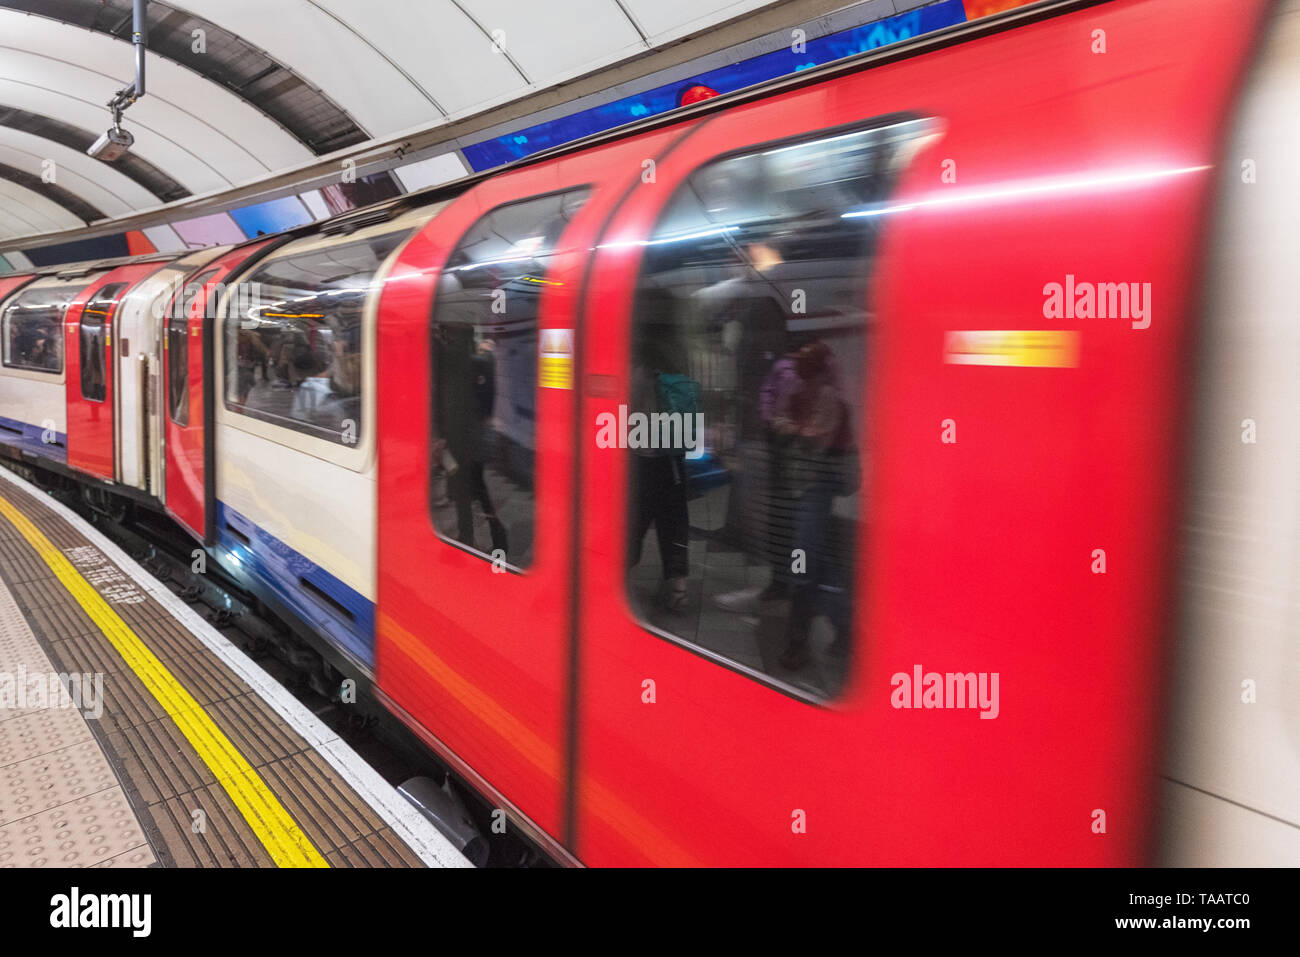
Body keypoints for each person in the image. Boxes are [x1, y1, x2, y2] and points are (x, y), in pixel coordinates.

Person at [771, 340, 857, 670]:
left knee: (804, 568)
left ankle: (797, 643)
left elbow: (816, 438)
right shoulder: (800, 396)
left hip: (817, 488)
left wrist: (794, 430)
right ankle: (847, 628)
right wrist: (796, 429)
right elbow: (782, 423)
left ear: (820, 373)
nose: (804, 380)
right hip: (801, 486)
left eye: (808, 373)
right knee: (819, 562)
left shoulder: (830, 400)